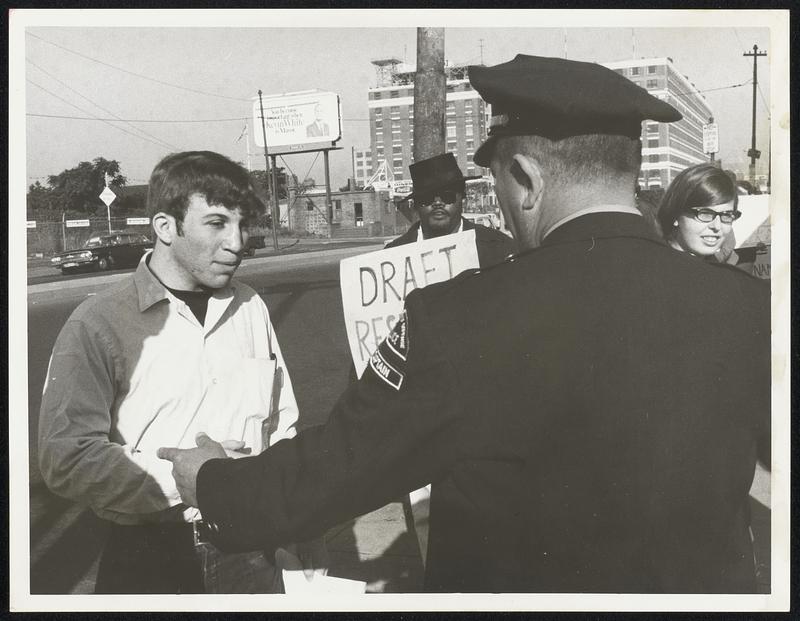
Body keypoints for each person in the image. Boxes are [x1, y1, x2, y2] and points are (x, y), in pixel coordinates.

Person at [159, 56, 770, 593]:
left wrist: (211, 482)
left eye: (498, 182)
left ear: (526, 179)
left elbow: (334, 470)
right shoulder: (750, 307)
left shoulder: (457, 319)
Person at [38, 151, 323, 594]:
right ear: (165, 227)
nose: (237, 241)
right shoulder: (98, 323)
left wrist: (293, 520)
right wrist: (187, 477)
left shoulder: (250, 307)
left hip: (254, 550)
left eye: (243, 224)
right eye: (216, 223)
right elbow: (65, 457)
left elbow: (281, 424)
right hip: (150, 557)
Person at [388, 152, 517, 267]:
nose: (438, 203)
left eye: (447, 196)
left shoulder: (499, 248)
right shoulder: (392, 256)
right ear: (416, 204)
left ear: (462, 197)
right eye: (427, 198)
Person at [657, 162, 741, 263]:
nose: (717, 226)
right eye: (705, 213)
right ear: (676, 214)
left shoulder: (718, 272)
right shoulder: (652, 270)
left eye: (726, 215)